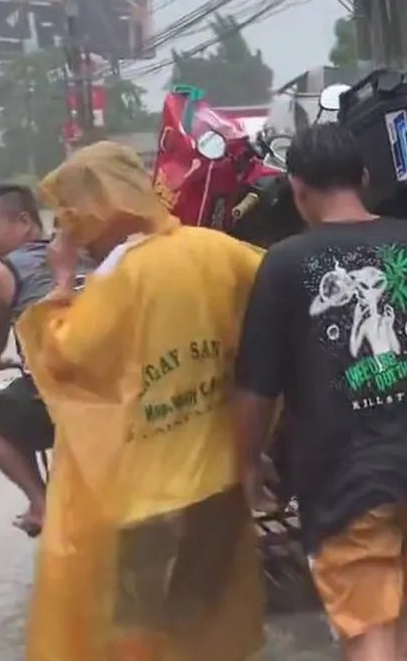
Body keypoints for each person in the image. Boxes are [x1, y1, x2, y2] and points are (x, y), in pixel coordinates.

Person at [14, 142, 263, 661]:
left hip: (147, 494)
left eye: (73, 215)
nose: (71, 229)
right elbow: (279, 300)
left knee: (137, 630)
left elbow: (66, 358)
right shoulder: (217, 248)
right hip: (219, 478)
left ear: (101, 207)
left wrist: (60, 283)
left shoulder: (119, 276)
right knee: (199, 620)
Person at [235, 123, 407, 661]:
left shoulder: (285, 263)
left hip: (348, 482)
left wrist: (246, 464)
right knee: (402, 613)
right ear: (363, 178)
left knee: (367, 633)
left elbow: (256, 387)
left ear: (297, 188)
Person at [0, 184, 58, 537]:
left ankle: (41, 504)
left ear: (24, 221)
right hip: (122, 386)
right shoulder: (87, 250)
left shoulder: (1, 275)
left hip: (58, 395)